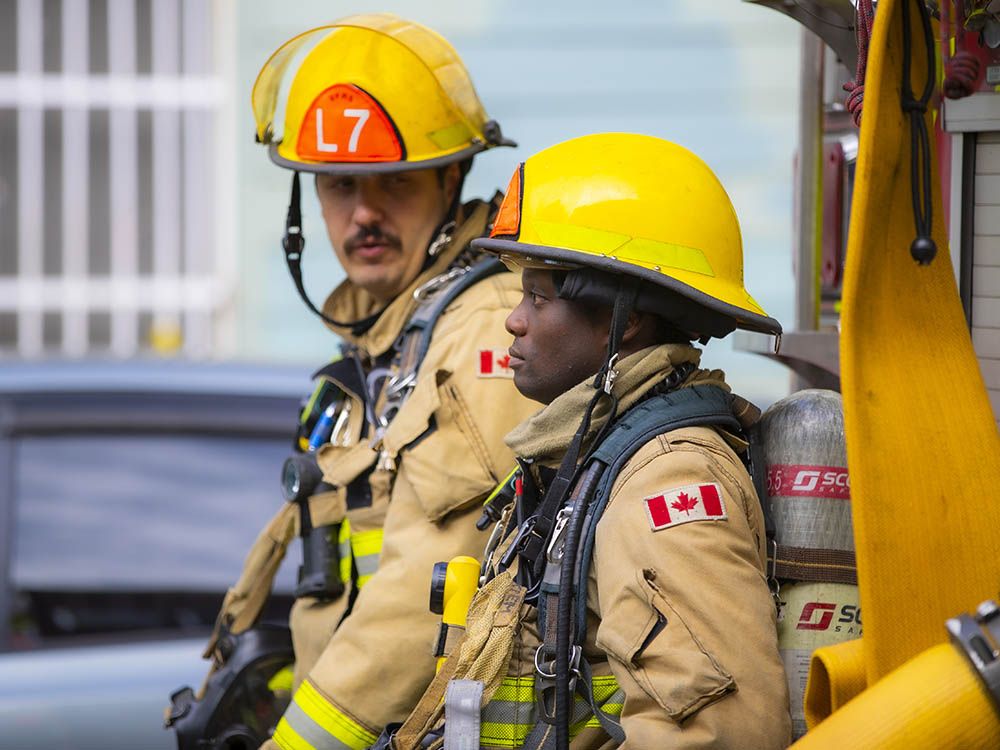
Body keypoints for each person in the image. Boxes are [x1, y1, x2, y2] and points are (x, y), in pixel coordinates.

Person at [197, 14, 540, 750]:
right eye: (339, 184)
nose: (363, 213)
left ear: (454, 177)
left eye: (395, 182)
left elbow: (430, 588)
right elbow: (346, 594)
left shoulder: (487, 328)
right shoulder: (378, 351)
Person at [385, 132, 792, 749]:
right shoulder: (589, 461)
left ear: (625, 321)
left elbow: (717, 735)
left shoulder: (668, 481)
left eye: (540, 296)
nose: (513, 319)